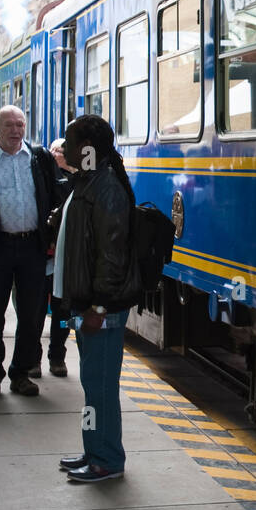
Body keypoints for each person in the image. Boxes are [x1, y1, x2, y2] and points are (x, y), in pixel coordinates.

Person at [55, 116, 141, 483]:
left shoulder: (105, 187)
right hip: (85, 302)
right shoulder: (88, 180)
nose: (65, 147)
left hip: (99, 307)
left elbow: (112, 255)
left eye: (71, 141)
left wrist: (100, 307)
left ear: (87, 148)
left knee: (101, 387)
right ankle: (94, 451)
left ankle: (106, 460)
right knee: (92, 385)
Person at [0, 106, 63, 398]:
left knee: (31, 315)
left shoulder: (40, 158)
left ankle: (21, 373)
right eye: (9, 124)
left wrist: (53, 237)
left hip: (33, 245)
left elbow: (56, 197)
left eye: (20, 124)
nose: (16, 130)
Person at [35, 138, 76, 378]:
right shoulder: (42, 180)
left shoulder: (76, 182)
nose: (56, 154)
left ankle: (57, 355)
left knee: (63, 313)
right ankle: (34, 357)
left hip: (64, 259)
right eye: (54, 150)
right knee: (35, 312)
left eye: (60, 150)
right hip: (42, 256)